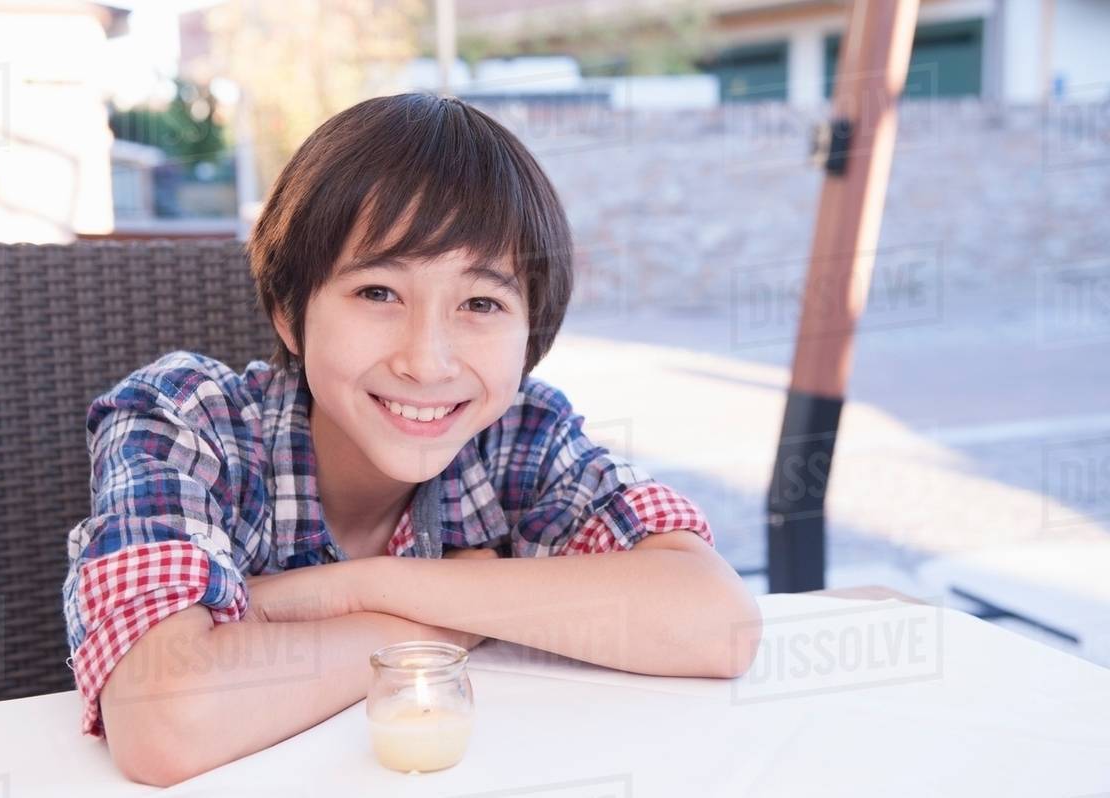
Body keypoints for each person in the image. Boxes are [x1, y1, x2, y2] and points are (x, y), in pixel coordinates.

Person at [62, 92, 762, 787]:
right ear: (287, 310)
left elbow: (716, 623)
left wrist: (359, 588)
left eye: (481, 303)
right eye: (378, 293)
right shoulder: (187, 418)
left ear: (530, 334)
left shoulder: (520, 434)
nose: (427, 362)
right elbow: (166, 721)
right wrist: (452, 624)